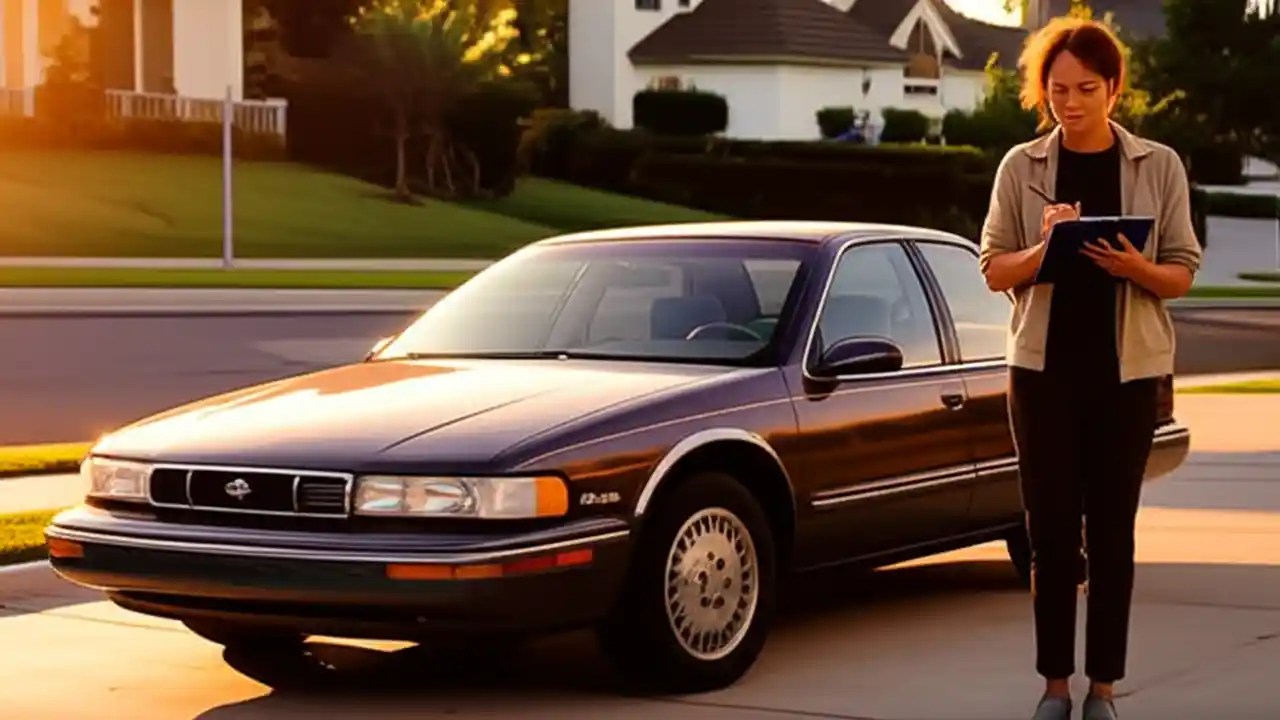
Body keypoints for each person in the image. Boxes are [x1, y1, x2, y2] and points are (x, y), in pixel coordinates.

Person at [977, 16, 1203, 720]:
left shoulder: (1157, 166)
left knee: (1111, 535)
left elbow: (1182, 271)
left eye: (1084, 89)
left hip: (1126, 378)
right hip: (1041, 376)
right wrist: (1046, 249)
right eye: (1057, 90)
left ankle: (1103, 690)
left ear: (1113, 88)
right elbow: (993, 268)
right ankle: (1054, 688)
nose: (1069, 103)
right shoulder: (1021, 167)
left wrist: (1136, 267)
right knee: (1049, 535)